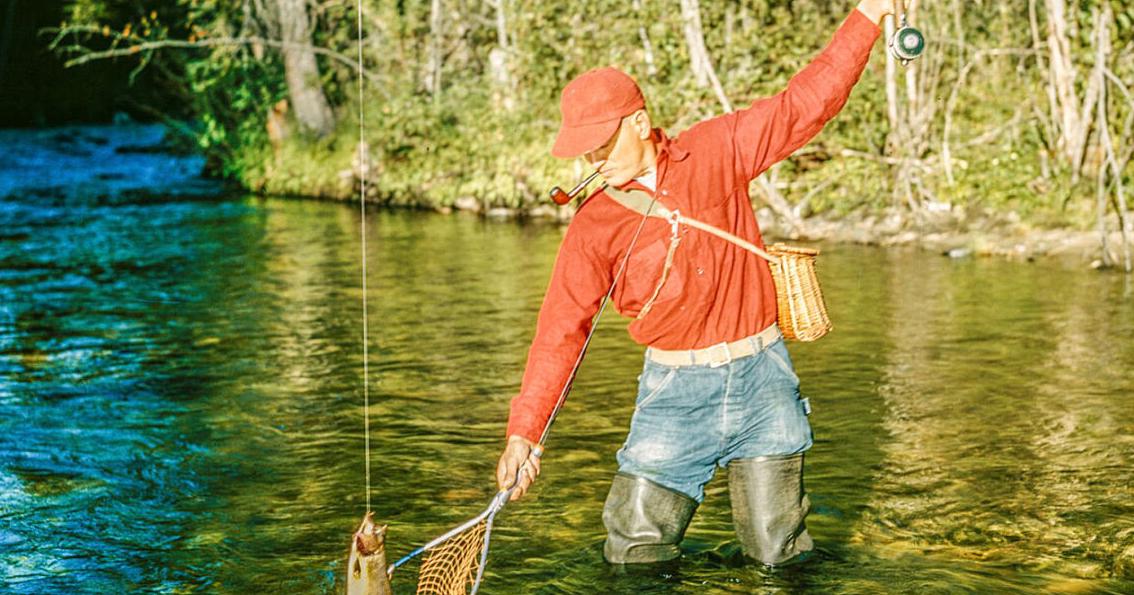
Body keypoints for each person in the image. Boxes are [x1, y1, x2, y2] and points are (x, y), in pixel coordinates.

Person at [496, 0, 892, 566]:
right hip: (672, 395)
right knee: (632, 556)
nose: (592, 157)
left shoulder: (717, 150)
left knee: (777, 555)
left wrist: (868, 15)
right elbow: (561, 332)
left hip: (764, 380)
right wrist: (525, 431)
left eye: (601, 143)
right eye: (585, 148)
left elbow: (805, 104)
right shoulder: (593, 227)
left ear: (639, 124)